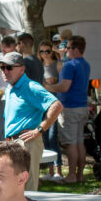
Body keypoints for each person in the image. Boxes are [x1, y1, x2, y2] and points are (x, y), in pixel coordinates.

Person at [0, 52, 62, 191]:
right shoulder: (10, 87)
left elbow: (56, 105)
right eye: (2, 68)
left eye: (9, 67)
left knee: (28, 189)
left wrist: (40, 129)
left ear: (22, 69)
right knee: (14, 189)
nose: (5, 71)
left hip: (26, 142)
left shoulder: (30, 86)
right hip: (13, 142)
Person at [46, 35, 90, 183]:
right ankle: (80, 175)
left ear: (76, 49)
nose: (65, 50)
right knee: (79, 142)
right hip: (82, 106)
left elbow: (64, 87)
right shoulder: (85, 64)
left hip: (70, 107)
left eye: (68, 47)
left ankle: (71, 175)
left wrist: (48, 87)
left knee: (71, 143)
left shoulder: (70, 66)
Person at [39, 41, 64, 181]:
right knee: (45, 137)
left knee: (52, 137)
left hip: (54, 104)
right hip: (42, 105)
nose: (44, 54)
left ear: (52, 51)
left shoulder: (58, 65)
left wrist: (48, 84)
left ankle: (58, 170)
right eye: (41, 51)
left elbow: (62, 85)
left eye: (47, 51)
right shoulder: (39, 66)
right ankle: (50, 170)